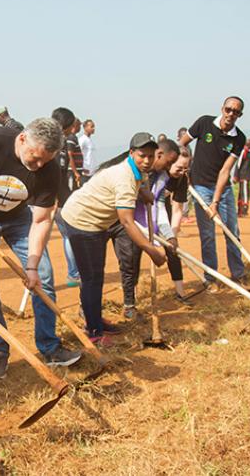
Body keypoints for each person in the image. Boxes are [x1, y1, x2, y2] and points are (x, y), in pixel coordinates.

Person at [0, 118, 83, 380]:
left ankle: (50, 347)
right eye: (35, 158)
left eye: (46, 160)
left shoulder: (50, 169)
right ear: (22, 139)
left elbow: (42, 220)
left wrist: (31, 266)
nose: (39, 166)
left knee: (42, 276)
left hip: (19, 219)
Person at [60, 133, 167, 345]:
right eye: (141, 156)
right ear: (131, 154)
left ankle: (94, 319)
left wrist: (143, 192)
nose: (146, 161)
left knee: (96, 276)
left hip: (96, 223)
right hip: (81, 222)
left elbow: (137, 184)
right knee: (91, 279)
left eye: (150, 156)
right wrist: (151, 249)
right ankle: (94, 332)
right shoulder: (124, 177)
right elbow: (126, 222)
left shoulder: (137, 172)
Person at [178, 97, 247, 286]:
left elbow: (226, 171)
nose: (231, 114)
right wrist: (182, 165)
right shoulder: (204, 123)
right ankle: (211, 277)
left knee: (231, 231)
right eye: (228, 109)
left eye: (236, 112)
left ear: (240, 115)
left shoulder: (238, 138)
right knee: (207, 234)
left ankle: (238, 272)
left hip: (222, 190)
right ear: (222, 108)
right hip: (200, 186)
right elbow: (182, 144)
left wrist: (215, 201)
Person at [113, 139, 181, 314]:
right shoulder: (130, 169)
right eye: (169, 162)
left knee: (131, 258)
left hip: (137, 223)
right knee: (128, 259)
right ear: (160, 155)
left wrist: (169, 235)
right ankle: (128, 300)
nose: (170, 166)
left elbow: (158, 207)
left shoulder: (161, 177)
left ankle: (130, 303)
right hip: (116, 217)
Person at [52, 107, 82, 287]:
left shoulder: (58, 141)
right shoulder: (56, 143)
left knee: (67, 235)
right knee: (69, 235)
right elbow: (54, 172)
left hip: (56, 198)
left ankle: (73, 274)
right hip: (54, 200)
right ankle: (73, 274)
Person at [164, 144, 194, 302]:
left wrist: (172, 236)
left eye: (185, 169)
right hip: (141, 211)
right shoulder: (158, 172)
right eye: (179, 168)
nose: (182, 172)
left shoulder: (182, 179)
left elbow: (177, 210)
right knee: (133, 252)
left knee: (173, 251)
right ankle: (132, 299)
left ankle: (180, 292)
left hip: (164, 210)